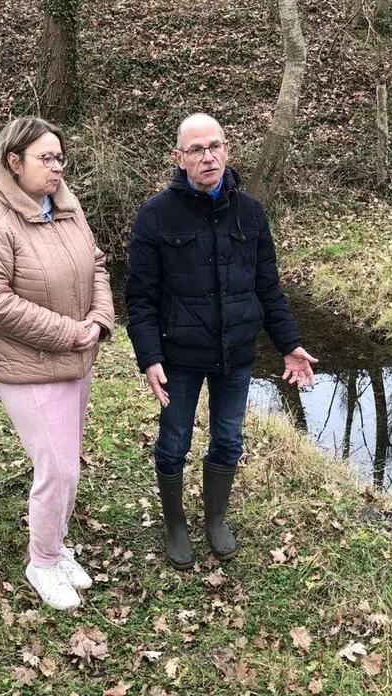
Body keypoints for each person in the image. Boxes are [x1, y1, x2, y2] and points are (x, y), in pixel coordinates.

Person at [126, 112, 317, 570]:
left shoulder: (250, 212)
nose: (207, 156)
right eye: (196, 149)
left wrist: (288, 343)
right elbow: (140, 297)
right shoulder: (155, 216)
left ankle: (215, 518)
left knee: (228, 440)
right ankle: (175, 524)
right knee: (174, 443)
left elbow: (268, 287)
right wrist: (149, 356)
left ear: (227, 150)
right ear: (179, 158)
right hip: (180, 358)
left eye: (214, 146)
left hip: (237, 354)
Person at [0, 116, 114, 611]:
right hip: (27, 364)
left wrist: (100, 318)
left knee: (65, 463)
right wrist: (72, 332)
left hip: (76, 357)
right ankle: (43, 561)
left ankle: (57, 545)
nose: (57, 168)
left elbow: (96, 265)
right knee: (58, 467)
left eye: (59, 158)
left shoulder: (66, 205)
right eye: (45, 159)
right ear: (14, 161)